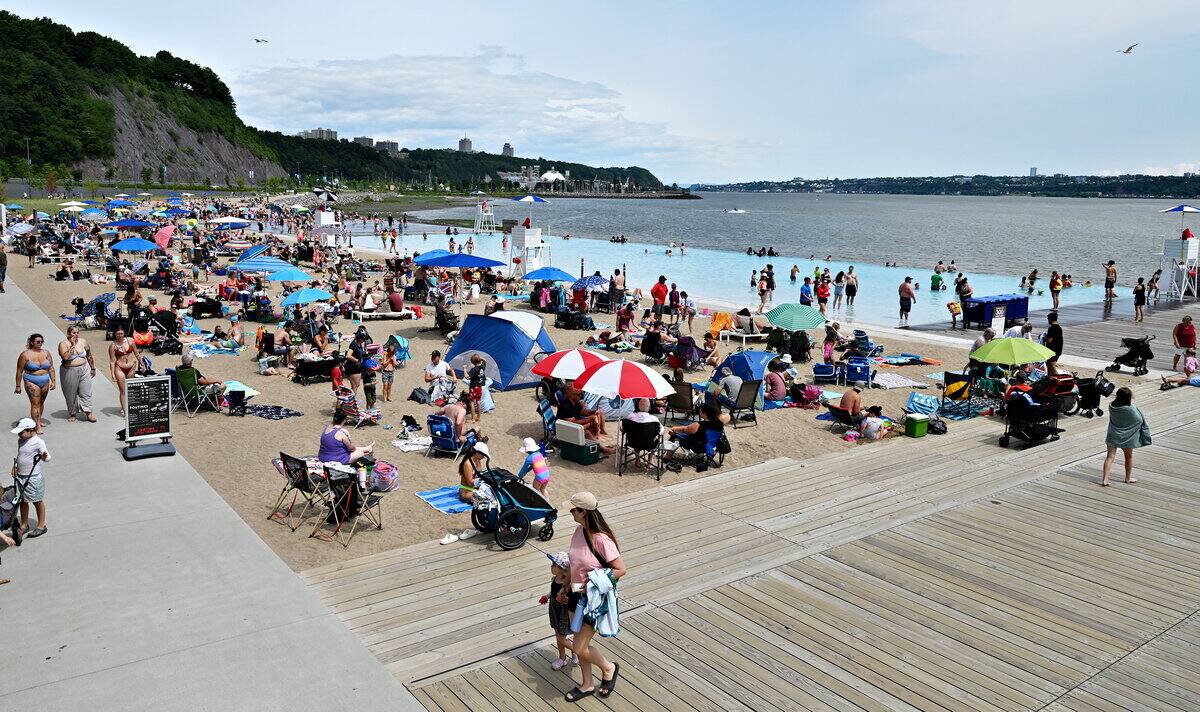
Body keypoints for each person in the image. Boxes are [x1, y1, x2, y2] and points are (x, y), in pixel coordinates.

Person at [560, 492, 625, 702]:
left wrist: (593, 584)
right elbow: (574, 564)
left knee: (579, 647)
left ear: (584, 512)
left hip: (592, 601)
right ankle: (587, 684)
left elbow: (620, 569)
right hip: (574, 595)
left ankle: (608, 667)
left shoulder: (602, 540)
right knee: (580, 645)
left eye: (574, 509)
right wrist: (565, 586)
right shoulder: (578, 531)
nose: (571, 512)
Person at [1101, 387, 1150, 487]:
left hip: (1113, 434)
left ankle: (1105, 479)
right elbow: (1139, 420)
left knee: (1110, 457)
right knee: (1128, 457)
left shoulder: (1112, 406)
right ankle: (1128, 478)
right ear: (1128, 398)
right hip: (1127, 437)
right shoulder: (1130, 409)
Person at [10, 417, 49, 538]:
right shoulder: (21, 440)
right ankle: (24, 524)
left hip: (33, 477)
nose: (19, 435)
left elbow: (47, 457)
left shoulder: (38, 441)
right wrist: (15, 466)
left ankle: (41, 526)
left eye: (21, 432)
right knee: (22, 500)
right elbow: (20, 455)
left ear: (31, 430)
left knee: (37, 501)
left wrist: (44, 457)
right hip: (21, 476)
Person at [539, 551, 578, 671]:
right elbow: (553, 591)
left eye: (554, 565)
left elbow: (574, 597)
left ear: (562, 570)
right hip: (554, 609)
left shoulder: (568, 584)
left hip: (564, 612)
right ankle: (562, 658)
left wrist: (567, 599)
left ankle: (577, 650)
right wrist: (547, 596)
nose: (551, 567)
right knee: (558, 635)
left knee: (562, 636)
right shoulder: (554, 579)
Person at [666, 403, 729, 472]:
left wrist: (673, 428)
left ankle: (667, 457)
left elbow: (684, 429)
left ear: (703, 413)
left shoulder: (698, 425)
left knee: (674, 435)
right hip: (713, 446)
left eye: (700, 410)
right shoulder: (720, 423)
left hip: (696, 447)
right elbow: (727, 416)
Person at [15, 333, 55, 434]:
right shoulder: (25, 355)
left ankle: (38, 420)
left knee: (41, 402)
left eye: (42, 341)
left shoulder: (46, 353)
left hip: (45, 380)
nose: (40, 343)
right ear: (32, 342)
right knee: (35, 403)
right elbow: (19, 371)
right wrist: (18, 386)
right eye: (38, 341)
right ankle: (37, 425)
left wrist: (53, 381)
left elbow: (51, 368)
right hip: (31, 381)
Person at [58, 325, 96, 422]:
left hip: (84, 369)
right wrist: (72, 345)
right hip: (69, 370)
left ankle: (88, 412)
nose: (76, 334)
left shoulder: (83, 341)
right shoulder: (63, 344)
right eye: (73, 333)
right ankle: (73, 413)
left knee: (86, 391)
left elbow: (89, 355)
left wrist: (92, 368)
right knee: (71, 393)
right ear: (68, 333)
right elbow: (65, 357)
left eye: (77, 332)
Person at [467, 354, 486, 423]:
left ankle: (473, 418)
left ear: (473, 362)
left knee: (472, 402)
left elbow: (467, 377)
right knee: (478, 402)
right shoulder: (482, 367)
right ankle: (478, 417)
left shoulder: (473, 370)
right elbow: (485, 360)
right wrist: (479, 358)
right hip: (479, 387)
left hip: (473, 387)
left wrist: (464, 369)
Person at [1044, 312, 1064, 376]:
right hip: (1058, 349)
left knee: (1051, 365)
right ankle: (1049, 378)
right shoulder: (1059, 327)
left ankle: (1058, 378)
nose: (1048, 321)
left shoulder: (1052, 328)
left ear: (1050, 319)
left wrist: (1044, 338)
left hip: (1053, 350)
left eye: (1048, 319)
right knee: (1049, 364)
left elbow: (1049, 340)